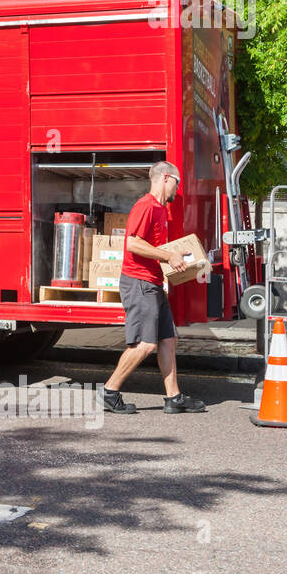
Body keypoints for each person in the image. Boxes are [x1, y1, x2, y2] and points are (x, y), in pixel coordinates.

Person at [99, 161, 207, 414]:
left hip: (154, 283)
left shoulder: (160, 209)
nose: (176, 190)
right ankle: (109, 392)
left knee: (168, 340)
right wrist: (168, 257)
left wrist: (175, 258)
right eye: (177, 184)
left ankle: (174, 397)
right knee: (145, 345)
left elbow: (153, 248)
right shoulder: (145, 206)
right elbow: (133, 244)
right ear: (166, 178)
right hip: (139, 283)